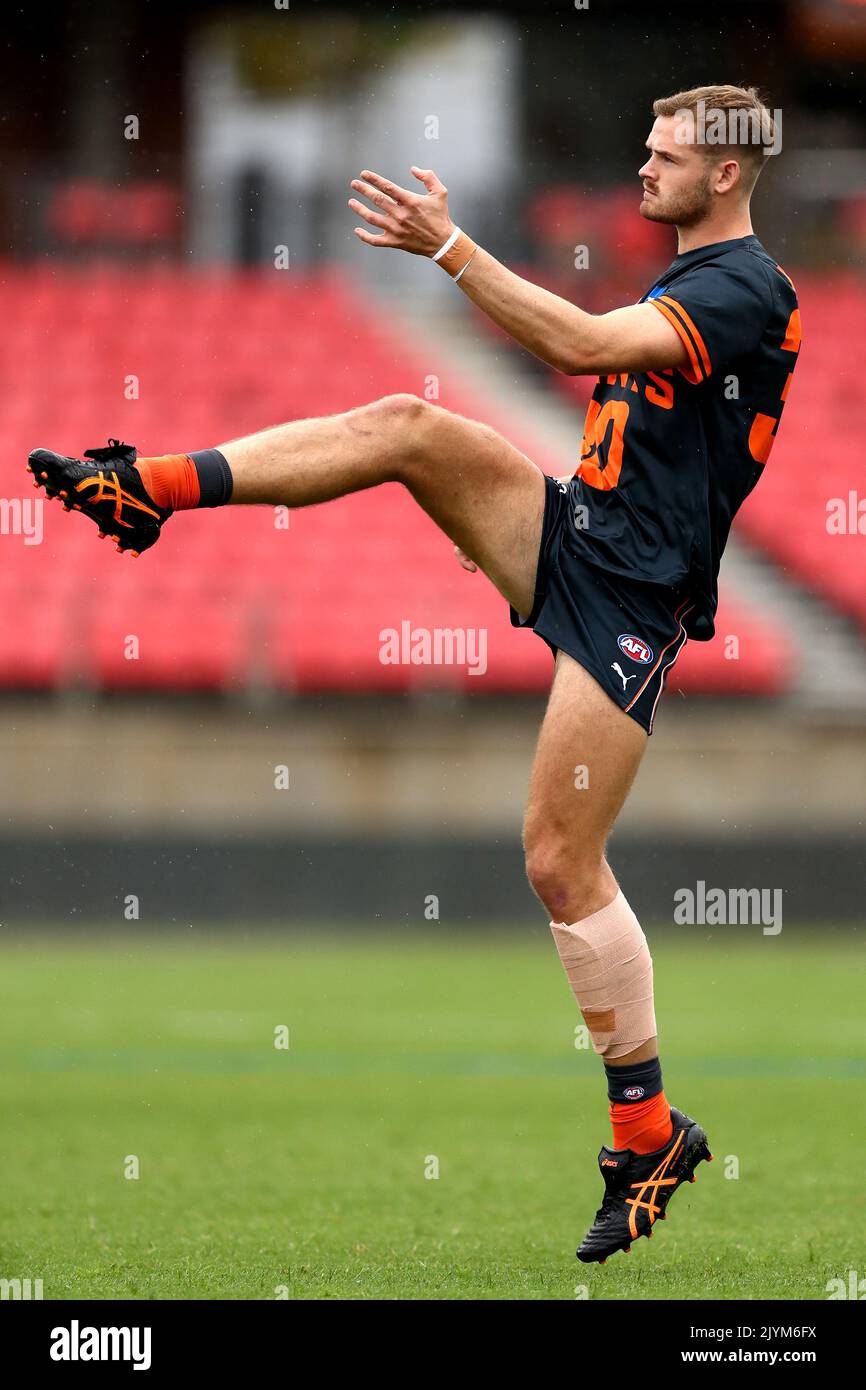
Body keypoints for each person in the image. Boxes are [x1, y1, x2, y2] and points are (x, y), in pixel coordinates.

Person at [28, 84, 800, 1263]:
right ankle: (148, 488)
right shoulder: (694, 279)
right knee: (406, 423)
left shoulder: (746, 290)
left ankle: (647, 1133)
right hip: (576, 533)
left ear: (728, 174)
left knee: (555, 858)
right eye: (642, 146)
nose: (641, 168)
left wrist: (448, 247)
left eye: (665, 156)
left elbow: (578, 345)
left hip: (633, 603)